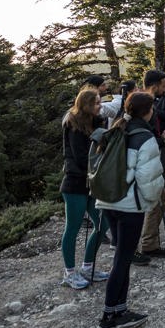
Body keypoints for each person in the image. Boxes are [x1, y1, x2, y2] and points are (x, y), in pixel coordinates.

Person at [94, 91, 165, 328]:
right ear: (147, 111)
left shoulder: (117, 128)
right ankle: (107, 317)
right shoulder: (144, 136)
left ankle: (119, 311)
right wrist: (152, 200)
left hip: (107, 201)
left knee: (121, 258)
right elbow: (148, 177)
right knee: (122, 260)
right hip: (128, 205)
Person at [59, 88, 111, 289]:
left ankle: (88, 267)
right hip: (75, 183)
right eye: (97, 103)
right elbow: (81, 156)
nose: (101, 106)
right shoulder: (73, 124)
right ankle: (69, 273)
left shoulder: (95, 121)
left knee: (102, 223)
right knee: (72, 228)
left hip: (92, 182)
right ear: (87, 104)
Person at [136, 69, 165, 259]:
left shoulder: (147, 100)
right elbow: (141, 133)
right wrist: (162, 141)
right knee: (156, 202)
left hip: (150, 158)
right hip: (144, 161)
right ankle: (144, 245)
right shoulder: (144, 102)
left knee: (159, 202)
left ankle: (148, 243)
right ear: (155, 85)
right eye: (163, 83)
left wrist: (162, 138)